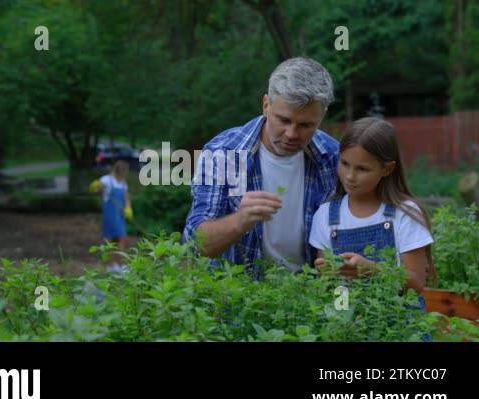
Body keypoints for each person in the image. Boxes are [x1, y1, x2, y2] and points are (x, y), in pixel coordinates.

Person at [182, 57, 339, 277]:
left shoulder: (333, 156)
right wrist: (240, 220)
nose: (292, 134)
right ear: (266, 105)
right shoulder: (224, 153)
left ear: (322, 116)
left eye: (306, 125)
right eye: (284, 120)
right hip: (239, 301)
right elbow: (195, 245)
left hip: (308, 299)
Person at [309, 117, 437, 307]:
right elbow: (332, 289)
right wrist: (328, 273)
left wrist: (371, 269)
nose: (350, 176)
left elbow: (416, 283)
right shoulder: (325, 216)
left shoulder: (404, 213)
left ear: (387, 169)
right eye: (344, 164)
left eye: (362, 169)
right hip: (347, 323)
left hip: (400, 327)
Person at [89, 160, 133, 273]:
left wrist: (128, 208)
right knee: (111, 240)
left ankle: (119, 265)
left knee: (120, 239)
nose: (126, 174)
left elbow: (126, 198)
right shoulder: (107, 180)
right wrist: (95, 186)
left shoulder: (123, 183)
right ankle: (110, 265)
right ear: (120, 171)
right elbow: (96, 189)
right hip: (110, 214)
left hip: (120, 214)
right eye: (125, 172)